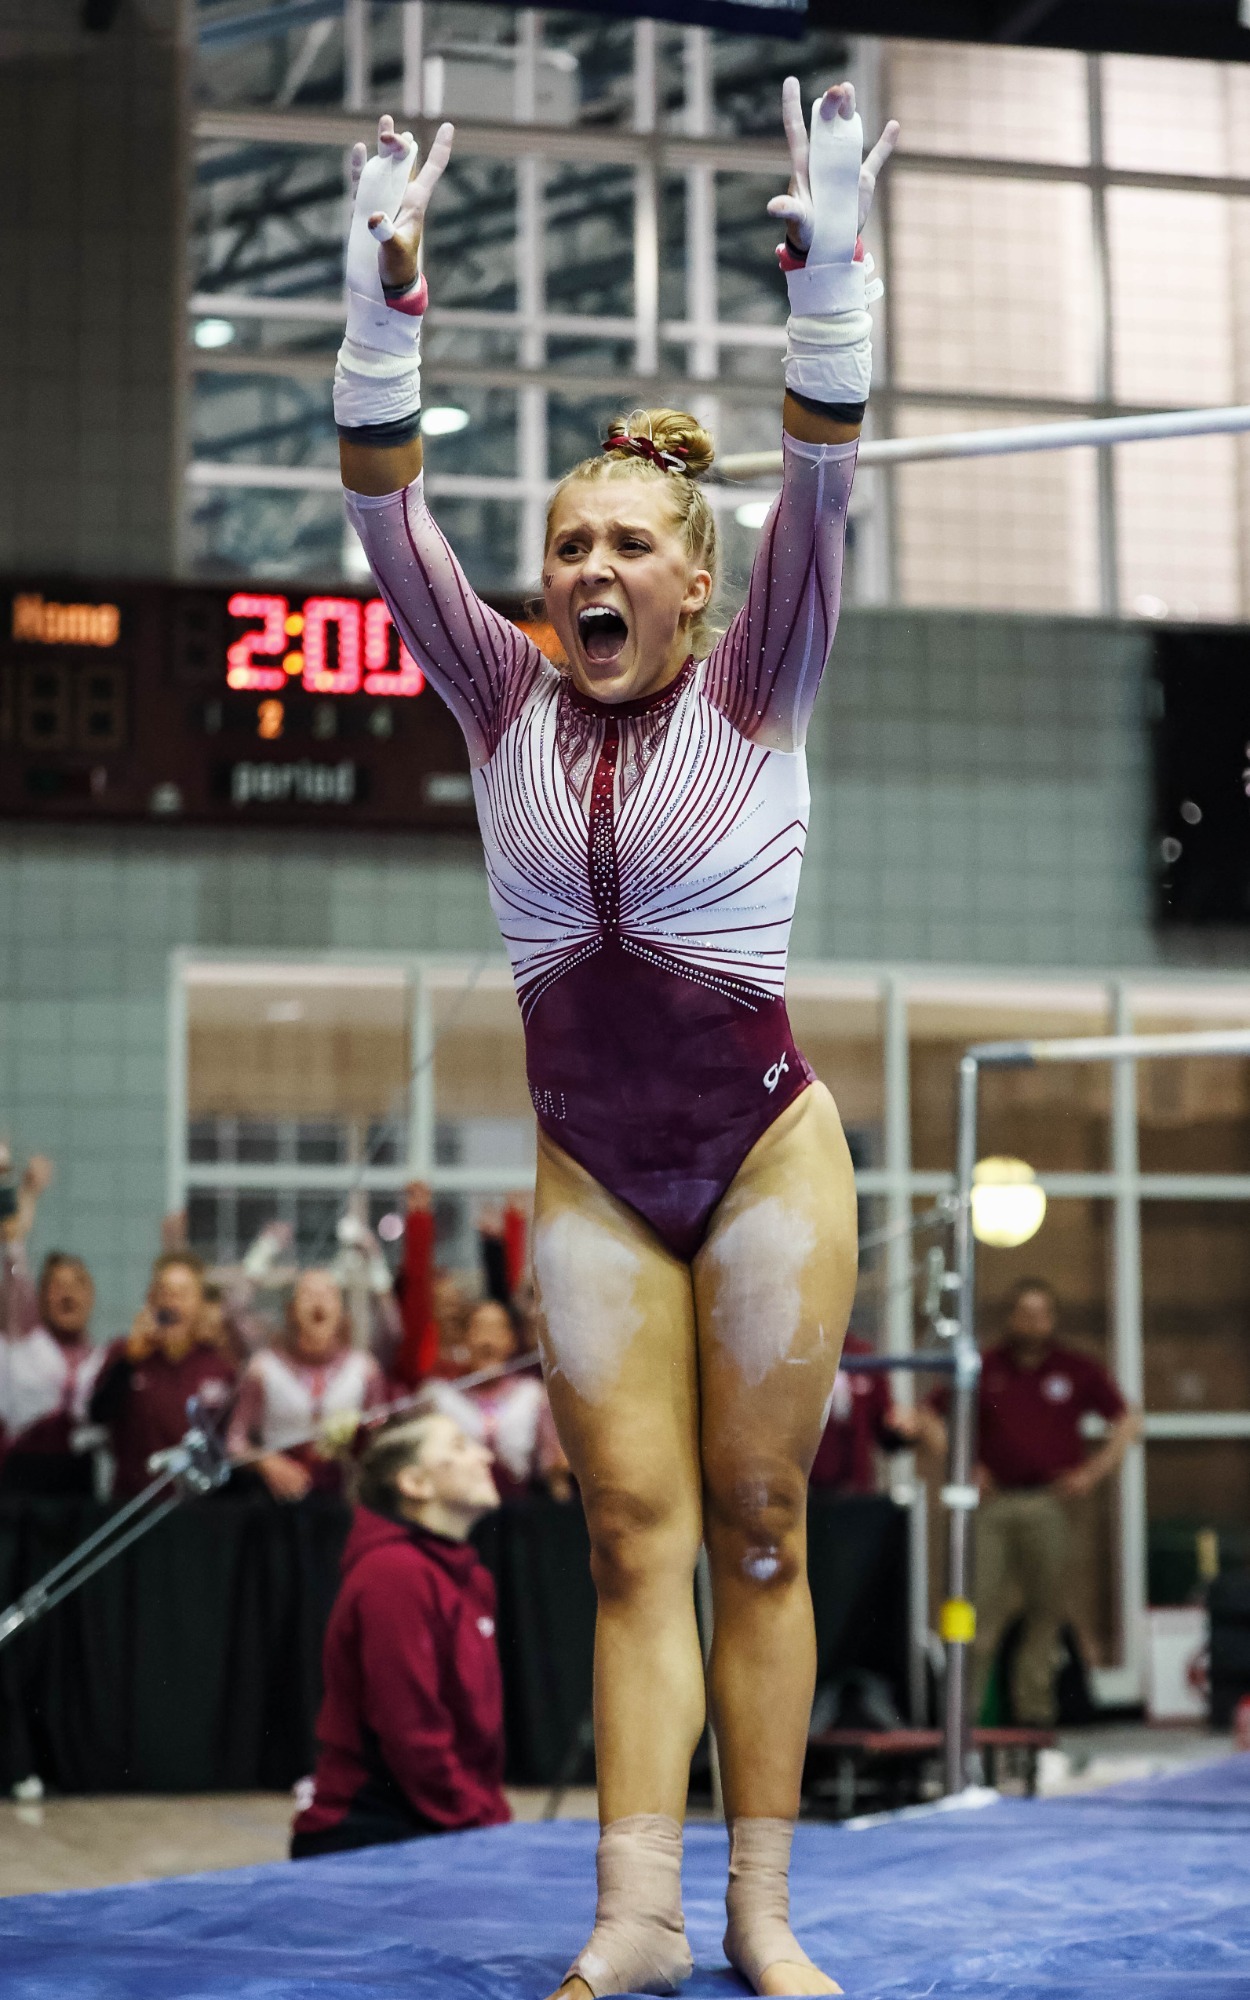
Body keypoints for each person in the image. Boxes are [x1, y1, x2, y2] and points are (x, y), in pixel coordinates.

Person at [337, 73, 896, 1997]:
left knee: (755, 1526)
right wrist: (379, 305)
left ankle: (758, 1907)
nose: (585, 570)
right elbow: (386, 515)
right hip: (590, 1165)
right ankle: (636, 1916)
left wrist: (832, 281)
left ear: (696, 585)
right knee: (626, 1539)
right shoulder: (495, 695)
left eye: (626, 549)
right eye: (566, 544)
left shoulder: (767, 676)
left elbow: (825, 476)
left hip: (758, 1153)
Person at [290, 1410, 509, 1857]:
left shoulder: (470, 1578)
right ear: (415, 1484)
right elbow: (410, 1730)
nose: (485, 1455)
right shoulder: (395, 1574)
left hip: (442, 1822)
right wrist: (481, 1824)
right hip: (373, 1834)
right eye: (459, 1447)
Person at [928, 1277, 1141, 1728]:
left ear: (1053, 1319)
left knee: (1047, 1617)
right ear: (1010, 1318)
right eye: (1024, 1313)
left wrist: (1092, 1472)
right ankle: (962, 1723)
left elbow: (1127, 1421)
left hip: (1050, 1504)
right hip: (993, 1505)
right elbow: (928, 1414)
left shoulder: (1076, 1369)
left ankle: (1035, 1723)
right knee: (976, 1613)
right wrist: (962, 1463)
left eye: (1041, 1313)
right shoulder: (983, 1367)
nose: (1033, 1322)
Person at [226, 1268, 387, 1501]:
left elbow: (379, 1438)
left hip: (344, 1500)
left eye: (329, 1294)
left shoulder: (364, 1369)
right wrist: (266, 1462)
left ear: (341, 1310)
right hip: (277, 1502)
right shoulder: (264, 1368)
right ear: (291, 1310)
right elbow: (235, 1442)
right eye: (308, 1294)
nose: (319, 1300)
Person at [90, 1251, 237, 1499]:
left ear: (200, 1305)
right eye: (166, 1292)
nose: (173, 1302)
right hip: (133, 1502)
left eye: (183, 1294)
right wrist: (129, 1361)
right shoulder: (124, 1354)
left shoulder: (219, 1366)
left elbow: (232, 1444)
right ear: (151, 1299)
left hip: (201, 1509)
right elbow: (97, 1415)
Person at [0, 1252, 106, 1496]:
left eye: (76, 1285)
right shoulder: (19, 1348)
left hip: (79, 1481)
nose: (68, 1295)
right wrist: (14, 1246)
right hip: (22, 1480)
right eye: (58, 1286)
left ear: (90, 1296)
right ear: (42, 1298)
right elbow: (14, 1290)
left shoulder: (101, 1359)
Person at [808, 1334, 944, 1495]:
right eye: (913, 1421)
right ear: (914, 1410)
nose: (903, 1425)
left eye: (907, 1434)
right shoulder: (873, 1371)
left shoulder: (857, 1455)